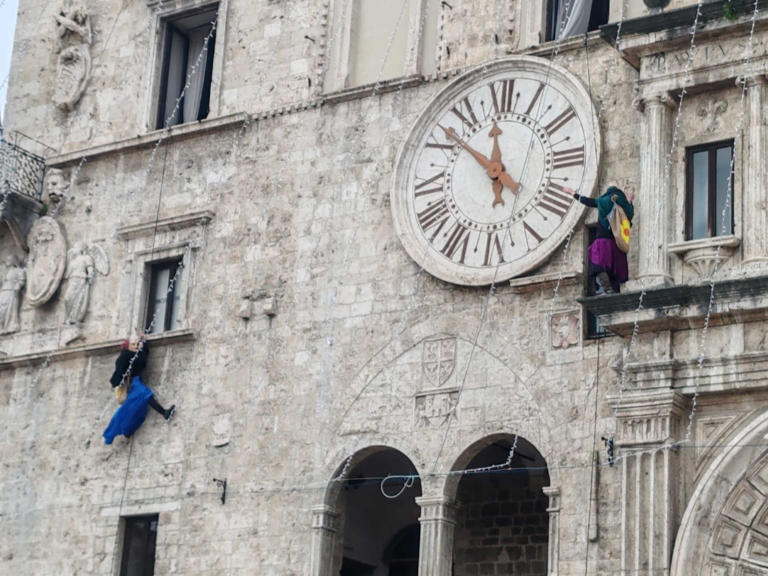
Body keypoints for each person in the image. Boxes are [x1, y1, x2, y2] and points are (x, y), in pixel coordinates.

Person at [103, 338, 175, 445]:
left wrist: (143, 344)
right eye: (133, 344)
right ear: (127, 346)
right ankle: (164, 412)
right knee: (144, 395)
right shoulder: (125, 356)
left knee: (131, 409)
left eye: (136, 344)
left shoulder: (130, 356)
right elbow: (138, 362)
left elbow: (141, 361)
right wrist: (144, 346)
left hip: (134, 383)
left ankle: (127, 430)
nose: (135, 346)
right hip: (132, 384)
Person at [567, 185, 635, 294]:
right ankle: (614, 291)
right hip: (618, 243)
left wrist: (572, 193)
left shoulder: (603, 201)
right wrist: (630, 201)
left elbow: (587, 201)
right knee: (615, 269)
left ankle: (606, 288)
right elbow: (630, 214)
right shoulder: (624, 204)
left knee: (598, 264)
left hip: (603, 240)